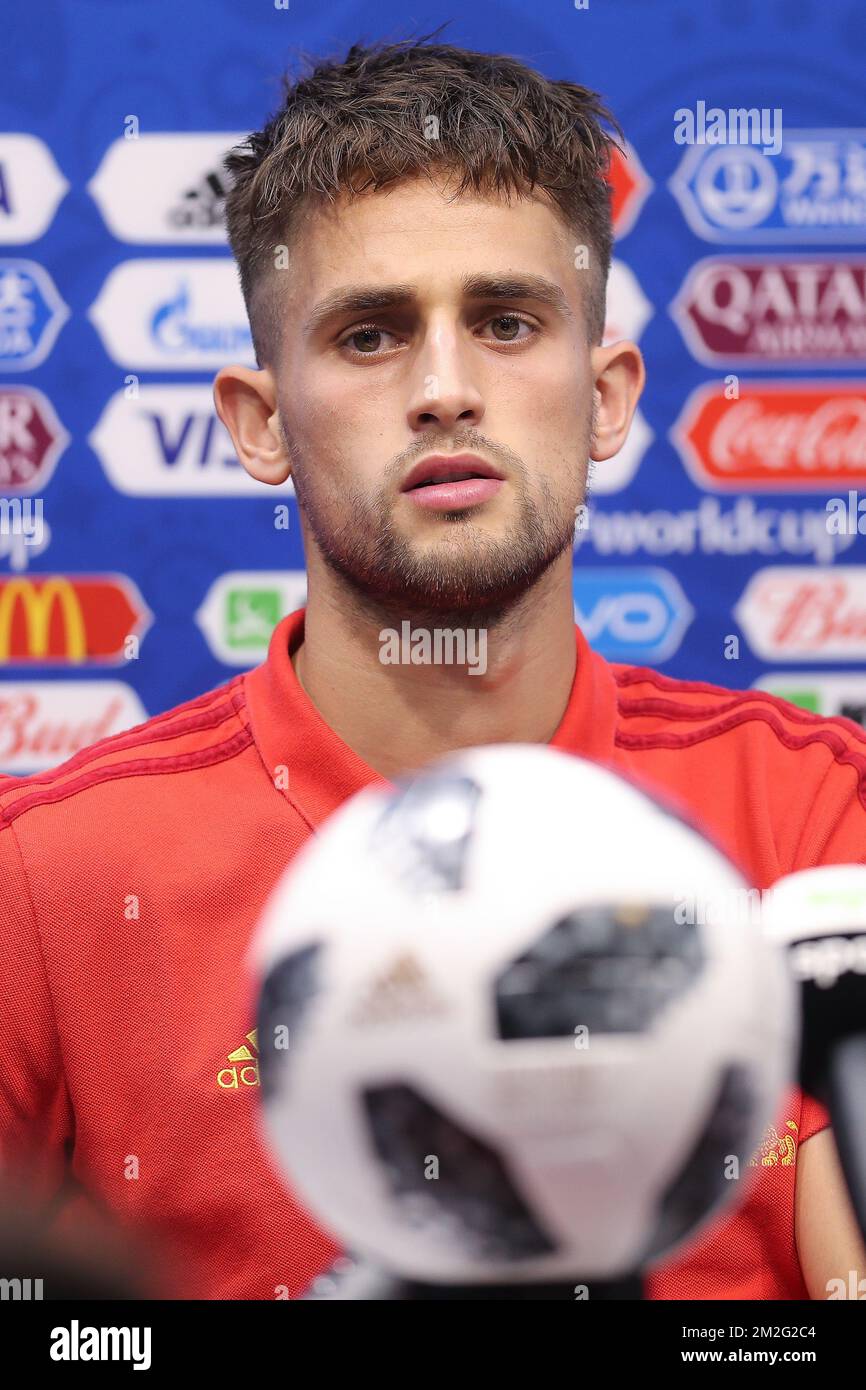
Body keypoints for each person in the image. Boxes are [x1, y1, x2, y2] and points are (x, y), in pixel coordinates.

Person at [1, 36, 864, 1301]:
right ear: (256, 422)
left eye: (507, 323)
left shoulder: (818, 818)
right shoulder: (49, 876)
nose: (445, 391)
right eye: (368, 335)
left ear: (608, 392)